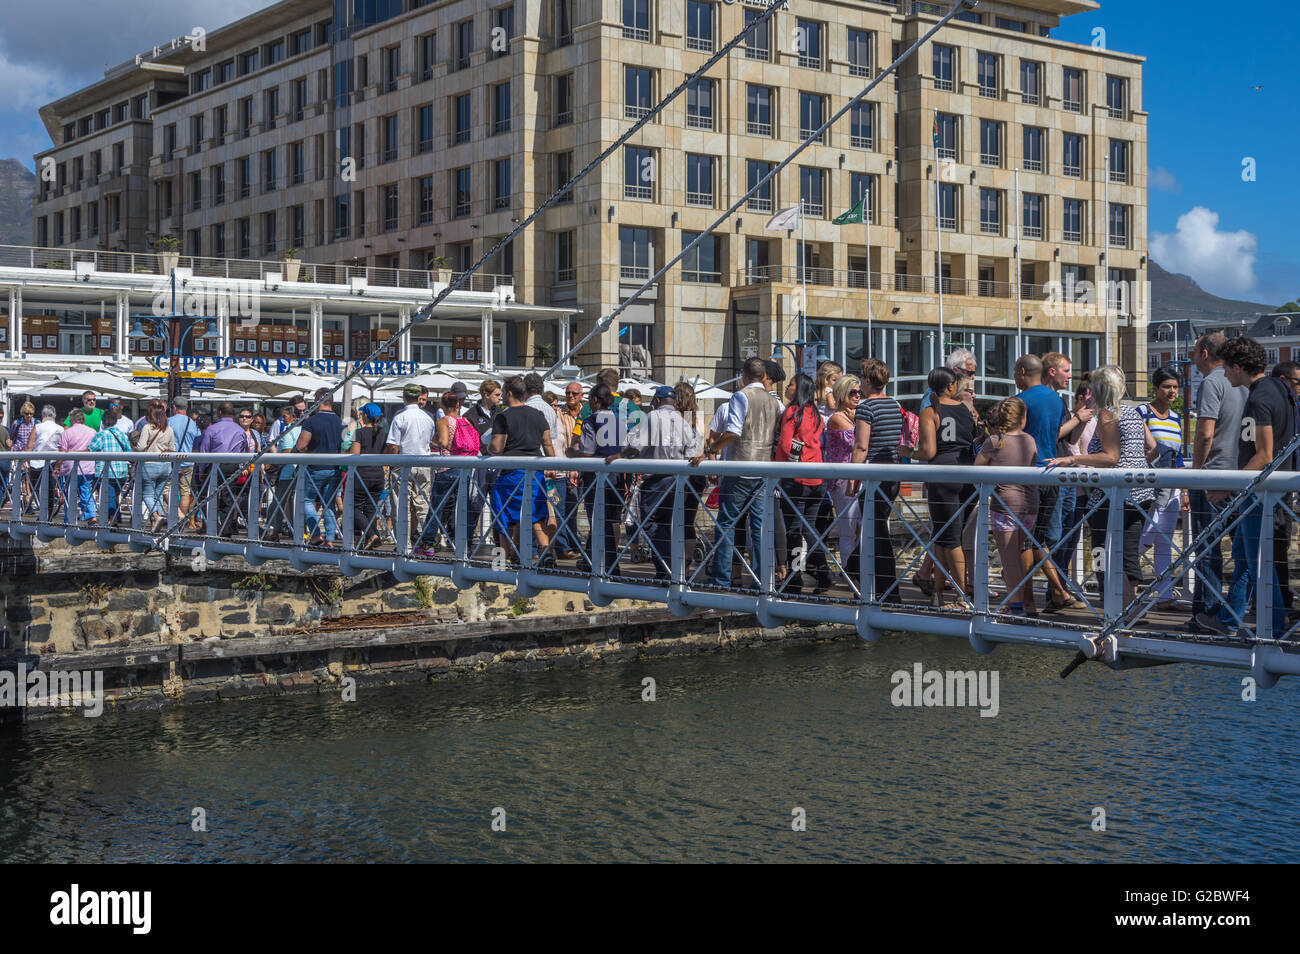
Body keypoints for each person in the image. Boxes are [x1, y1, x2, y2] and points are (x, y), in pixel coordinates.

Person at [1198, 338, 1296, 637]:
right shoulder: (1282, 389)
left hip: (1259, 493)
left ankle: (1268, 626)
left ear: (1238, 367)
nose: (1225, 375)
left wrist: (1230, 487)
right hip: (1277, 491)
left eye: (1227, 368)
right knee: (1249, 559)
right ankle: (1237, 620)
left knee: (1254, 562)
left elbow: (1264, 454)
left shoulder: (1258, 398)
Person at [1046, 365, 1156, 606]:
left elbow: (1110, 457)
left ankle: (1113, 603)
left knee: (1100, 550)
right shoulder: (1132, 412)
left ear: (1100, 389)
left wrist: (1072, 458)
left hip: (1113, 494)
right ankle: (1130, 605)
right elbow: (1153, 447)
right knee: (1128, 551)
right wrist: (1135, 462)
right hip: (1141, 491)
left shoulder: (1108, 414)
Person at [694, 357, 780, 589]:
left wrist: (708, 450)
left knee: (727, 524)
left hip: (739, 468)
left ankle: (722, 579)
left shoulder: (741, 396)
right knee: (760, 528)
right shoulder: (774, 402)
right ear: (764, 376)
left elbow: (732, 432)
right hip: (764, 470)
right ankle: (763, 581)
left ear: (743, 375)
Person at [1185, 333, 1246, 631]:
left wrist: (1196, 473)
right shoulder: (1243, 382)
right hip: (1244, 476)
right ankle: (1236, 614)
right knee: (1243, 552)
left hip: (1214, 478)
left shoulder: (1212, 382)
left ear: (1205, 354)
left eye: (1195, 352)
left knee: (1208, 550)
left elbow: (1205, 432)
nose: (1193, 357)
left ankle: (1207, 615)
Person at [607, 385, 699, 576]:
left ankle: (668, 566)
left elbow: (637, 445)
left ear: (657, 401)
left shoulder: (654, 416)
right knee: (666, 523)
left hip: (657, 479)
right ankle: (665, 568)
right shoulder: (682, 420)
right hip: (679, 478)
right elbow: (692, 450)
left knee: (650, 522)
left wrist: (620, 455)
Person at [1014, 354, 1077, 612]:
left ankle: (1033, 599)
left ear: (1021, 372)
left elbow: (1013, 436)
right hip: (1052, 473)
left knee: (1026, 540)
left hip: (1029, 475)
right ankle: (1058, 591)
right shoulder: (1057, 400)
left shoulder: (1019, 401)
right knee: (1040, 538)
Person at [917, 367, 976, 608]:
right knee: (943, 537)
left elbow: (929, 451)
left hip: (942, 476)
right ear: (951, 386)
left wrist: (908, 452)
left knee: (950, 539)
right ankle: (938, 593)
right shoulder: (965, 408)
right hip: (967, 474)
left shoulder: (930, 411)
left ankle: (962, 597)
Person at [848, 359, 906, 600]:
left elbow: (861, 446)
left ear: (868, 380)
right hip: (892, 474)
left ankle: (887, 588)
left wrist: (852, 477)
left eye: (861, 377)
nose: (860, 381)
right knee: (877, 525)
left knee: (877, 529)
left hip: (874, 476)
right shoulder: (894, 405)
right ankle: (867, 576)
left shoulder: (865, 408)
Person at [975, 397, 1039, 615]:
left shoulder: (994, 441)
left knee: (1009, 561)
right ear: (1022, 419)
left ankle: (1015, 607)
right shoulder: (1029, 440)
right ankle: (1017, 602)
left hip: (1005, 505)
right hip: (1029, 505)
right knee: (1017, 557)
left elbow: (976, 470)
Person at [772, 373, 831, 594]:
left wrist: (785, 465)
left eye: (791, 385)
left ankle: (794, 579)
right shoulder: (814, 413)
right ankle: (824, 572)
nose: (787, 387)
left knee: (794, 529)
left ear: (800, 389)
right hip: (817, 477)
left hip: (796, 478)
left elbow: (787, 446)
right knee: (809, 527)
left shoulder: (792, 412)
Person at [489, 375, 556, 561]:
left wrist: (487, 447)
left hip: (511, 473)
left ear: (509, 393)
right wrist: (554, 466)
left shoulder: (503, 416)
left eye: (503, 392)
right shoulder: (538, 414)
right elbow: (548, 444)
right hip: (536, 471)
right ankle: (546, 551)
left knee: (503, 516)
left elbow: (497, 447)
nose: (502, 395)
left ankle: (503, 558)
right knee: (535, 513)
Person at [1137, 368, 1187, 610]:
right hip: (1148, 488)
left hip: (1172, 489)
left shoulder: (1177, 418)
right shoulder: (1143, 413)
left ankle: (1165, 596)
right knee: (1146, 538)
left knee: (1164, 542)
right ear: (1155, 388)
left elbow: (1178, 457)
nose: (1172, 391)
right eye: (1167, 386)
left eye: (1175, 387)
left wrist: (1184, 490)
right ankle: (1117, 576)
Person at [416, 388, 478, 556]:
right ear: (458, 404)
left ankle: (427, 544)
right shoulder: (466, 420)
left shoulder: (444, 420)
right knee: (462, 508)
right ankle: (463, 545)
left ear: (442, 405)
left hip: (447, 468)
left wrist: (432, 442)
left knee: (437, 507)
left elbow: (443, 442)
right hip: (464, 468)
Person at [384, 382, 437, 547]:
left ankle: (403, 545)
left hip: (404, 464)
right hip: (425, 463)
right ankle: (428, 542)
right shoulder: (428, 417)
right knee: (423, 504)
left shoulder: (400, 416)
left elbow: (393, 446)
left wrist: (390, 464)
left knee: (401, 506)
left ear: (404, 398)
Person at [295, 389, 346, 546]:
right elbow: (345, 446)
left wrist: (308, 450)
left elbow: (301, 445)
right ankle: (330, 538)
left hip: (315, 467)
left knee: (306, 500)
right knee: (329, 503)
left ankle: (316, 534)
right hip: (335, 468)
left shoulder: (311, 421)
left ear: (317, 400)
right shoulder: (342, 422)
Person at [196, 402, 253, 537]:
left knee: (206, 497)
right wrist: (241, 465)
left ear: (219, 412)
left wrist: (201, 469)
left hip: (215, 465)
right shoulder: (240, 430)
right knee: (228, 498)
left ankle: (214, 526)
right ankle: (225, 529)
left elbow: (204, 451)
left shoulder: (212, 429)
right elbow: (244, 450)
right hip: (232, 466)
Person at [825, 374, 862, 576]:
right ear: (841, 394)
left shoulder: (853, 416)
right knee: (848, 527)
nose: (857, 396)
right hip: (843, 479)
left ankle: (855, 567)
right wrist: (859, 419)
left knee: (860, 527)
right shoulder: (837, 418)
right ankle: (849, 570)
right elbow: (859, 439)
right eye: (852, 392)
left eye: (858, 392)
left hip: (857, 476)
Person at [1271, 361, 1300, 610]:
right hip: (1279, 486)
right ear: (1283, 379)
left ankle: (1283, 602)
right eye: (1297, 382)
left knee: (1284, 543)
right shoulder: (1282, 406)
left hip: (1289, 485)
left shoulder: (1294, 405)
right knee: (1278, 543)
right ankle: (1279, 604)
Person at [350, 403, 389, 550]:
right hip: (378, 475)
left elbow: (354, 455)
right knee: (370, 509)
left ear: (365, 415)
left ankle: (372, 535)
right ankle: (369, 542)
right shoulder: (384, 434)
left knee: (353, 507)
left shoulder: (359, 433)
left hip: (362, 475)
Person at [553, 382, 584, 558]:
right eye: (567, 393)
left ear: (581, 395)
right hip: (565, 466)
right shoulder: (559, 412)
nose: (570, 395)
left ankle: (572, 543)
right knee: (562, 508)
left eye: (574, 393)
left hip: (582, 466)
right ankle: (564, 547)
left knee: (574, 510)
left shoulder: (586, 412)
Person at [264, 407, 303, 543]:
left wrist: (273, 462)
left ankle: (273, 530)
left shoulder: (288, 431)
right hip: (299, 471)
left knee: (278, 502)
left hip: (287, 472)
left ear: (292, 416)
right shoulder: (301, 430)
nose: (283, 419)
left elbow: (286, 452)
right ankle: (297, 531)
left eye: (285, 416)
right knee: (295, 503)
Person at [136, 400, 175, 529]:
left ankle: (157, 516)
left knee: (147, 494)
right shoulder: (169, 429)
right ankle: (156, 522)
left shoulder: (148, 428)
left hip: (150, 464)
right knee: (158, 494)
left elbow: (141, 447)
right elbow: (172, 449)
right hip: (165, 466)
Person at [57, 408, 97, 523]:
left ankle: (70, 518)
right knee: (87, 492)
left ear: (72, 419)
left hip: (71, 467)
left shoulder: (66, 433)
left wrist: (56, 467)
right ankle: (91, 516)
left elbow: (62, 452)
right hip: (88, 467)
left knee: (70, 493)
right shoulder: (92, 432)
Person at [168, 396, 200, 529]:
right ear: (186, 408)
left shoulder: (169, 421)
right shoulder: (192, 423)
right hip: (188, 461)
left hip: (171, 461)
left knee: (168, 489)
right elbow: (197, 441)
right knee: (185, 492)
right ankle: (181, 521)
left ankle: (178, 516)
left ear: (174, 408)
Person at [13, 402, 37, 514]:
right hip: (20, 455)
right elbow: (13, 437)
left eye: (31, 414)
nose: (29, 416)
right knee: (25, 480)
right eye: (27, 413)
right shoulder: (17, 423)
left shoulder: (37, 423)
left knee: (31, 480)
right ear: (23, 413)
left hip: (33, 456)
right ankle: (27, 503)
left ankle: (27, 503)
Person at [815, 361, 843, 425]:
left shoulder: (819, 390)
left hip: (819, 419)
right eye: (834, 380)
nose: (837, 383)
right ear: (825, 379)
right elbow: (832, 406)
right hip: (827, 421)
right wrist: (840, 405)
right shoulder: (829, 391)